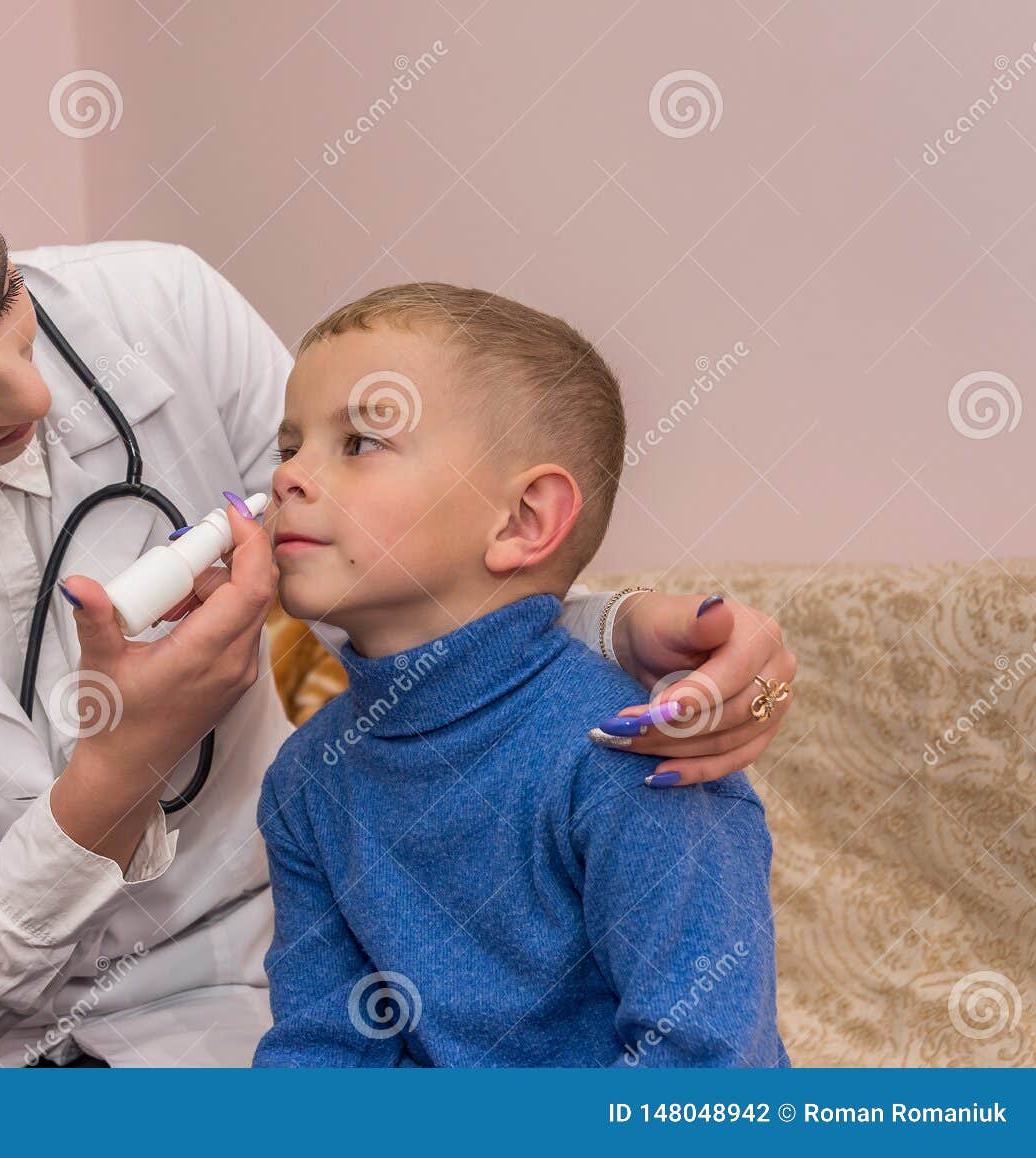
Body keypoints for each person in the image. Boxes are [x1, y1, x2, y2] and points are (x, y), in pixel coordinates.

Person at [0, 79, 797, 1067]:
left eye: (4, 297)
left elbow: (403, 562)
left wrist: (618, 625)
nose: (32, 394)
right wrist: (119, 770)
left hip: (224, 982)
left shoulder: (156, 311)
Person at [253, 285, 788, 1067]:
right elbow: (321, 1053)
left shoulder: (625, 753)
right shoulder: (306, 780)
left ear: (522, 521)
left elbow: (707, 1068)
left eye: (359, 443)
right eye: (289, 445)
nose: (288, 477)